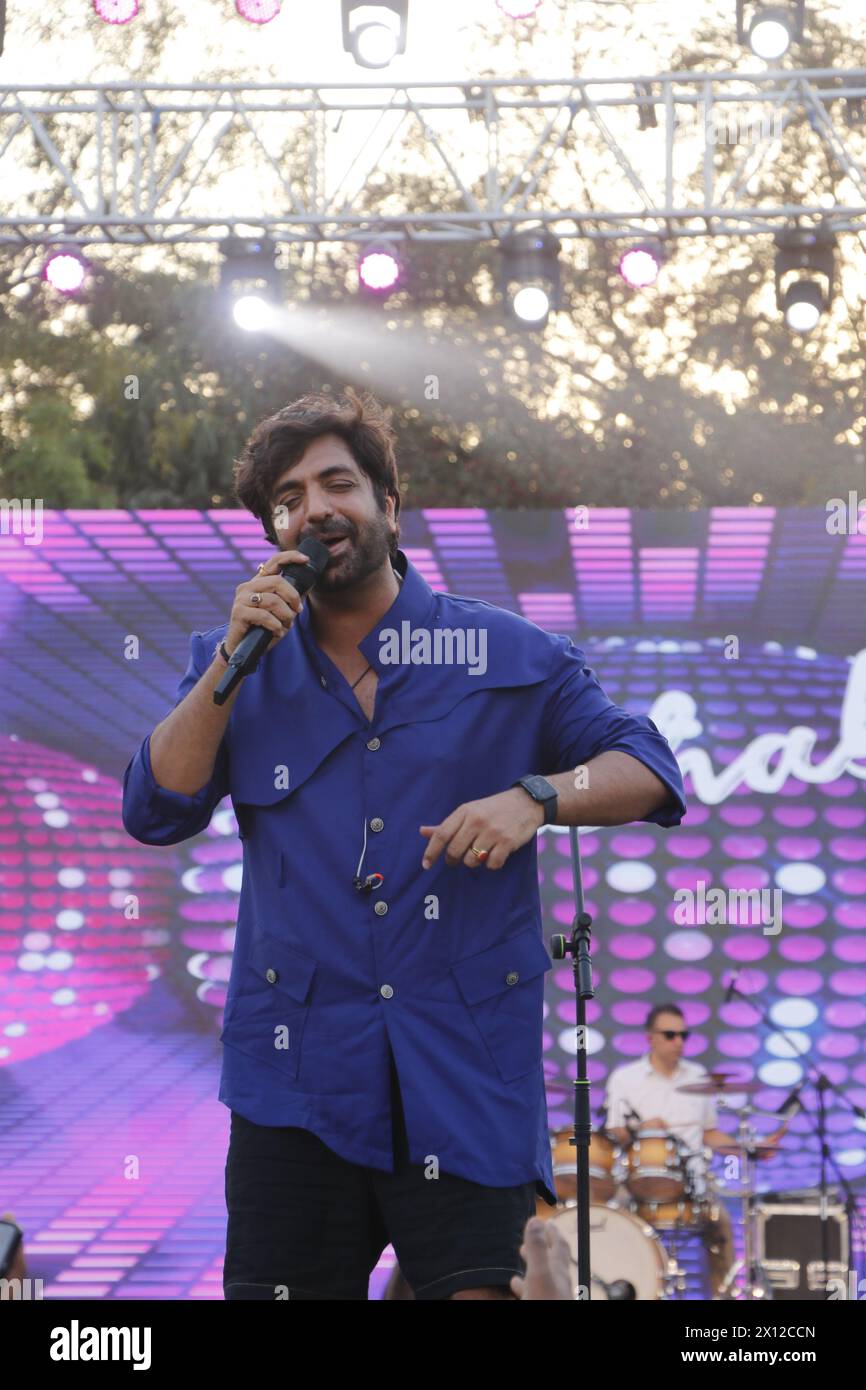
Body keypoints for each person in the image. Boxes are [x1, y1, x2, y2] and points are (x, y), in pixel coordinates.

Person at [122, 387, 687, 1300]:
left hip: (463, 1080)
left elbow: (651, 767)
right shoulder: (236, 666)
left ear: (388, 502)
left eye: (336, 483)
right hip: (294, 1090)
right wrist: (231, 661)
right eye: (289, 499)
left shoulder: (508, 654)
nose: (314, 509)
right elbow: (157, 808)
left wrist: (536, 797)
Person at [605, 1002, 773, 1297]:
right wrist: (641, 1130)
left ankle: (723, 1299)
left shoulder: (698, 1076)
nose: (678, 1042)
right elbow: (614, 1132)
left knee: (721, 1226)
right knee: (614, 1227)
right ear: (650, 1038)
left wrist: (748, 1150)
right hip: (637, 1185)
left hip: (692, 1185)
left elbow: (709, 1133)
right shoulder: (625, 1078)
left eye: (684, 1035)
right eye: (670, 1035)